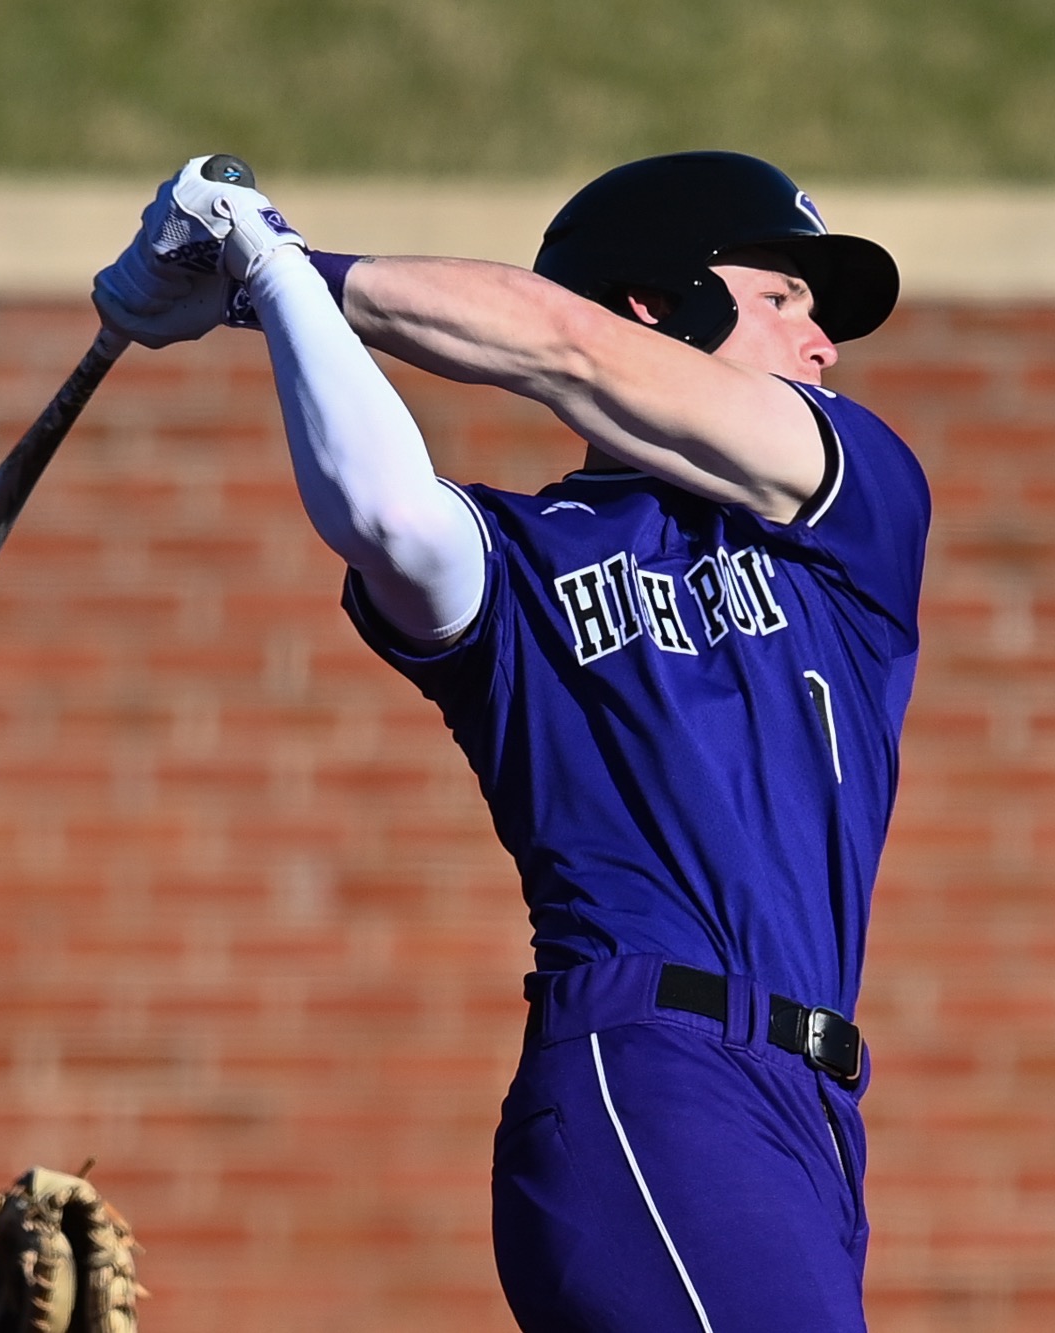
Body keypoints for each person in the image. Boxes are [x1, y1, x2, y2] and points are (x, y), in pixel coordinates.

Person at [93, 149, 929, 1332]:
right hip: (646, 1073)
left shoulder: (856, 511)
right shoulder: (524, 558)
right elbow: (398, 504)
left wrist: (271, 274)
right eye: (783, 297)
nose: (822, 343)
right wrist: (267, 274)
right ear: (659, 306)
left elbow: (572, 354)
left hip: (813, 1119)